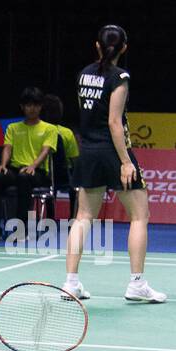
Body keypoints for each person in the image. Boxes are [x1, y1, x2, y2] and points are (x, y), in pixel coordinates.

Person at [62, 25, 165, 303]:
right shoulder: (120, 77)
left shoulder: (83, 74)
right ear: (124, 48)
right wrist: (125, 161)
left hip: (89, 151)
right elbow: (113, 121)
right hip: (113, 151)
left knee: (83, 217)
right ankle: (137, 284)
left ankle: (71, 283)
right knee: (140, 216)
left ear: (97, 46)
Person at [0, 87, 57, 242]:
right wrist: (3, 165)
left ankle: (21, 228)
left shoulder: (49, 129)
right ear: (22, 107)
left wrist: (33, 166)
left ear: (41, 106)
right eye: (29, 105)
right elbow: (7, 148)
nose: (32, 108)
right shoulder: (13, 127)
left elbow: (45, 151)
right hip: (15, 169)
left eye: (36, 105)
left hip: (37, 173)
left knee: (25, 177)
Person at [40, 93, 79, 218]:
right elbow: (75, 161)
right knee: (74, 181)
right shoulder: (67, 133)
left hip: (42, 176)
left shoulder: (38, 132)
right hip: (64, 177)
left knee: (50, 183)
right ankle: (72, 218)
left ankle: (49, 217)